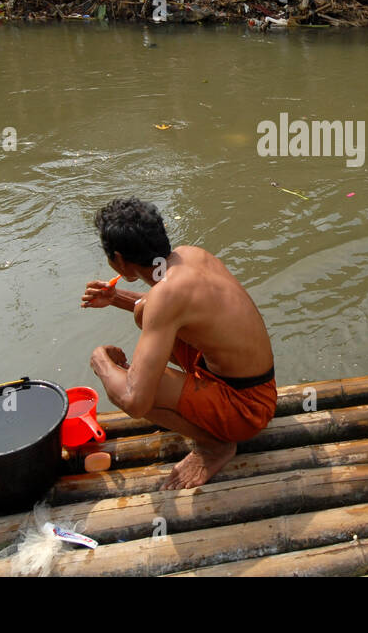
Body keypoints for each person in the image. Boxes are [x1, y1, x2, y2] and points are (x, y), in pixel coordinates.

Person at [81, 197, 277, 490]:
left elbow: (135, 401)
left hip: (248, 410)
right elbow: (168, 306)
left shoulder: (167, 296)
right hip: (253, 383)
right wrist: (116, 298)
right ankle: (198, 406)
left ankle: (214, 446)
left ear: (118, 261)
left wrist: (100, 361)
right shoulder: (189, 255)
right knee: (142, 313)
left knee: (136, 389)